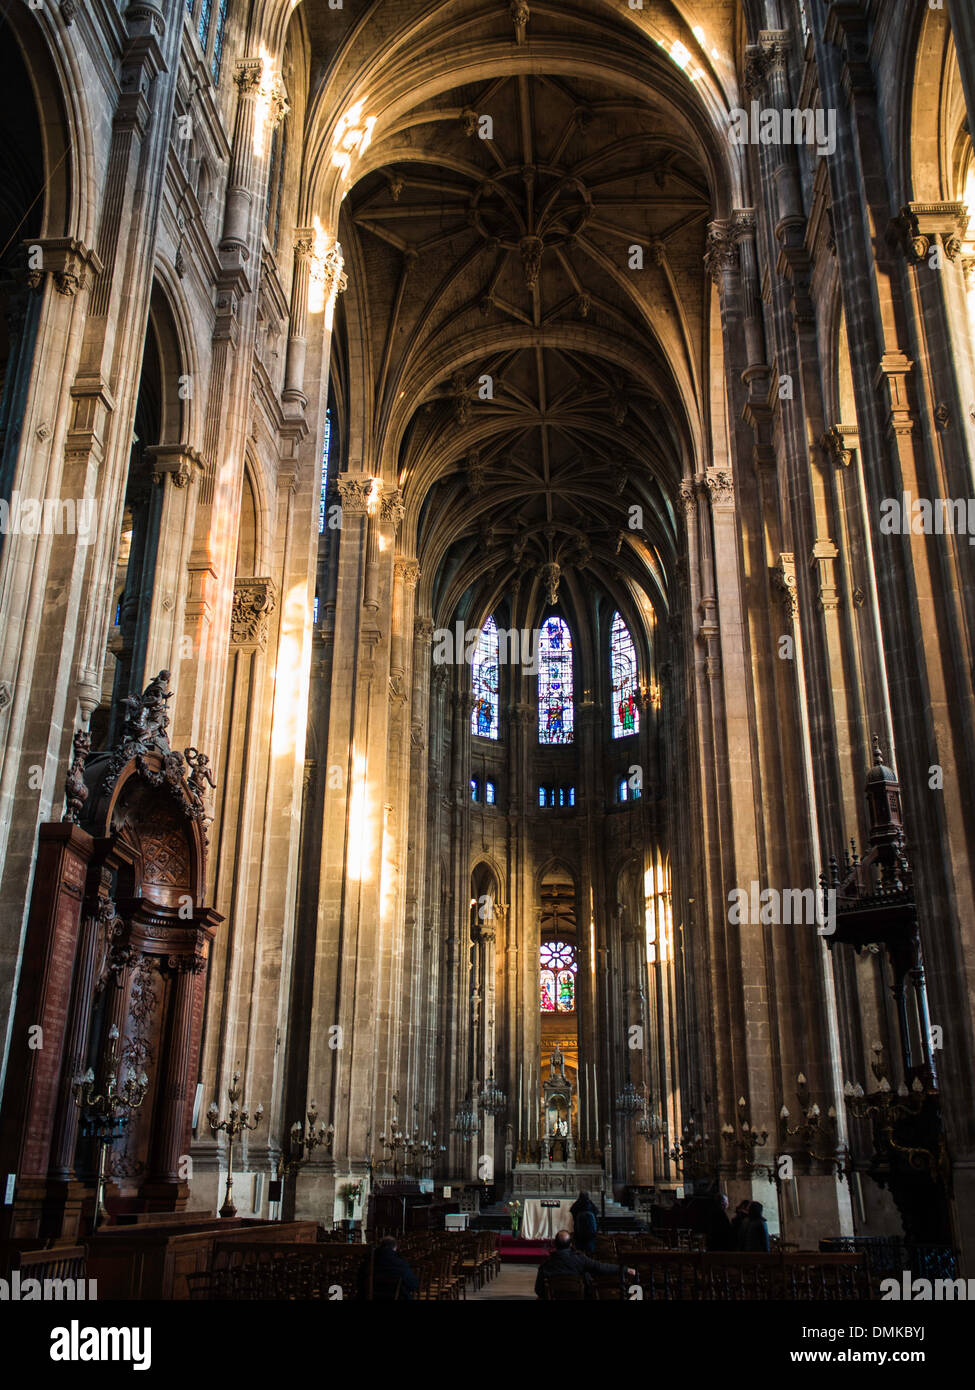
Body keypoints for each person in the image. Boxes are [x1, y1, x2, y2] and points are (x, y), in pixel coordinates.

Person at [535, 1229, 636, 1299]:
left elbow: (538, 1290)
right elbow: (601, 1267)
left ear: (555, 1244)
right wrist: (625, 1269)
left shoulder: (546, 1265)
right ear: (571, 1244)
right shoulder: (579, 1259)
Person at [357, 1235, 420, 1300]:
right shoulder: (401, 1264)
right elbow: (413, 1285)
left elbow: (359, 1283)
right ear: (395, 1248)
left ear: (380, 1246)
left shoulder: (367, 1262)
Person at [569, 1190, 599, 1255]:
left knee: (580, 1248)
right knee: (589, 1248)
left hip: (579, 1231)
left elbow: (572, 1211)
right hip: (590, 1232)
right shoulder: (590, 1203)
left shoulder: (577, 1203)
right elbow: (596, 1212)